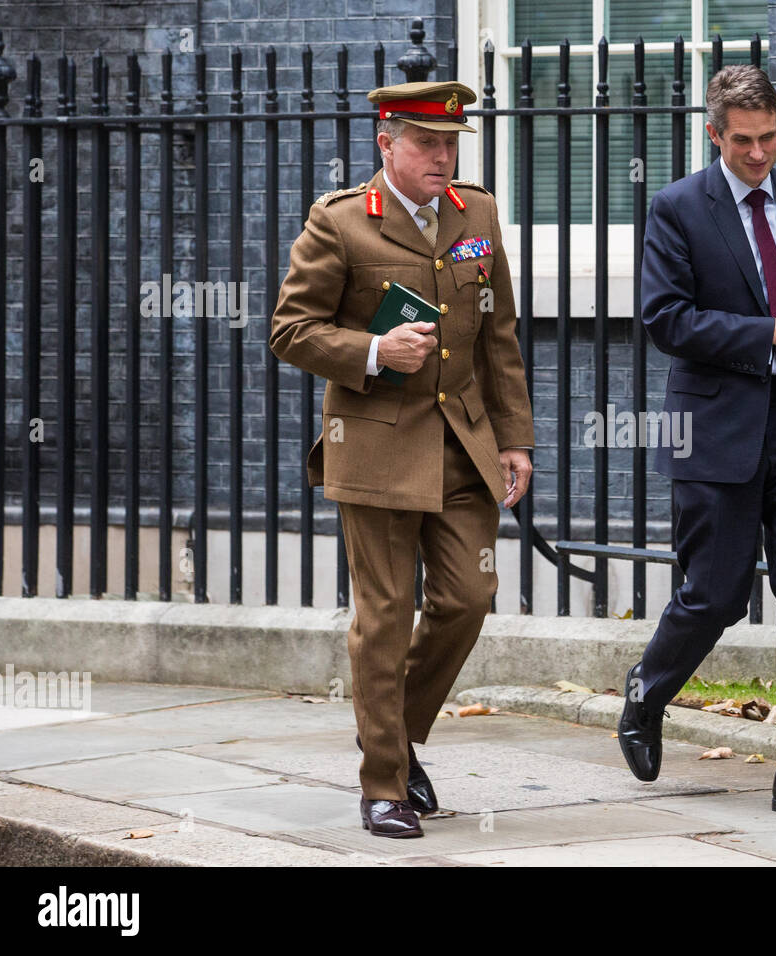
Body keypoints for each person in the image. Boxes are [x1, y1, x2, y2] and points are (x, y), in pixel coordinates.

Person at [269, 80, 534, 838]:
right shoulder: (342, 222)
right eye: (426, 143)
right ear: (386, 145)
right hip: (377, 448)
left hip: (464, 444)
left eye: (450, 144)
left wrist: (515, 437)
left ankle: (388, 728)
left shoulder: (476, 212)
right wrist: (376, 351)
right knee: (383, 617)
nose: (442, 157)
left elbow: (499, 334)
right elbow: (292, 330)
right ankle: (383, 782)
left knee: (469, 599)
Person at [617, 65, 776, 822]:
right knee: (714, 596)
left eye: (770, 138)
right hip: (717, 430)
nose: (760, 154)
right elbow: (666, 320)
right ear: (714, 134)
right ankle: (646, 692)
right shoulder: (678, 207)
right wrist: (769, 333)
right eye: (744, 141)